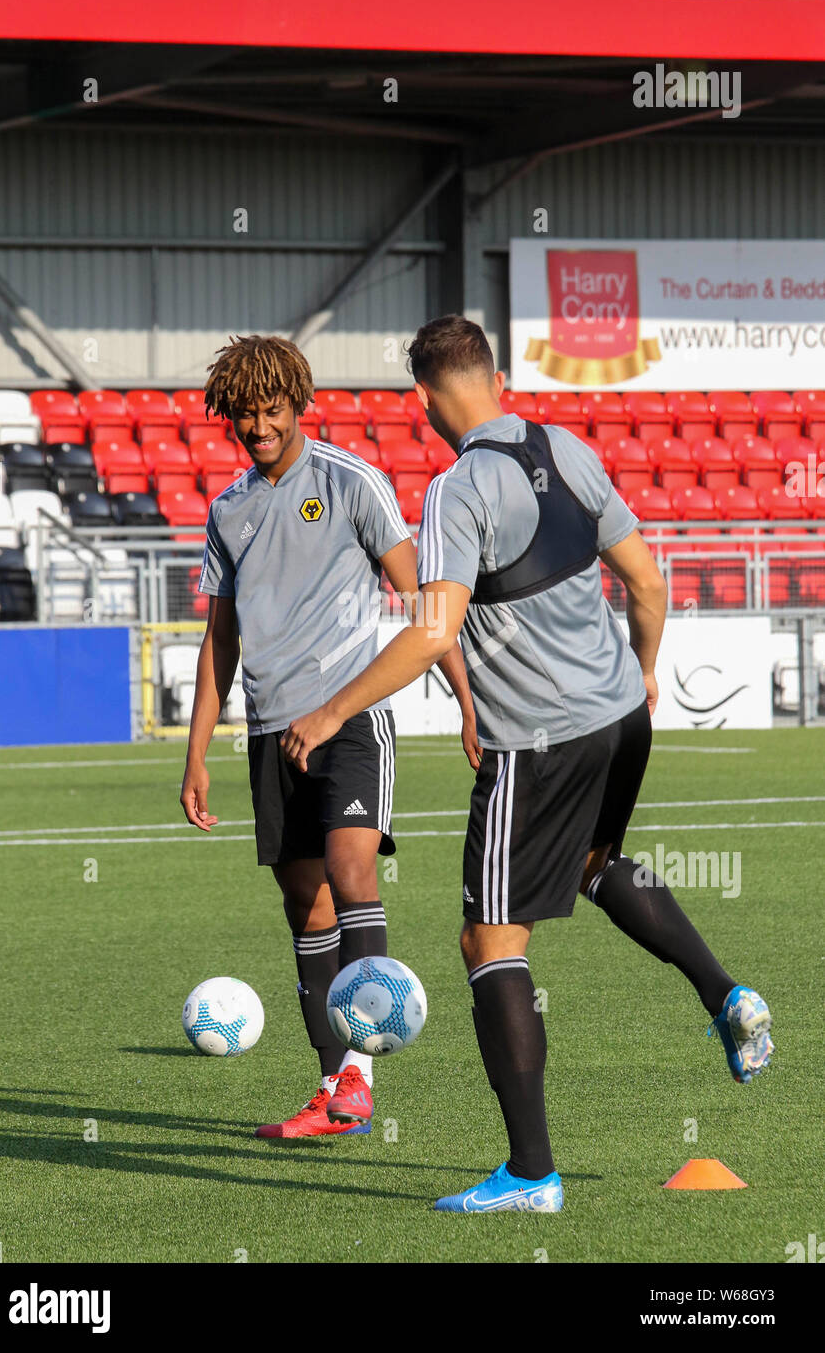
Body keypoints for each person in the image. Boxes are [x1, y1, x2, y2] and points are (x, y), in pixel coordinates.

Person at [281, 314, 774, 1209]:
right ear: (494, 376)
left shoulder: (456, 489)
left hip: (540, 741)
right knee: (595, 864)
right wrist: (648, 669)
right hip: (623, 716)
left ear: (424, 398)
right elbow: (648, 580)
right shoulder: (570, 449)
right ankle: (724, 993)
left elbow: (433, 630)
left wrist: (331, 709)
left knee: (488, 941)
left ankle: (531, 1173)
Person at [180, 333, 476, 1139]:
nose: (258, 426)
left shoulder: (352, 482)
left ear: (297, 404)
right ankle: (331, 1094)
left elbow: (426, 603)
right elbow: (221, 640)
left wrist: (466, 699)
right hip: (271, 732)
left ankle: (360, 1070)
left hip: (351, 719)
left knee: (353, 869)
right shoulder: (228, 510)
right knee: (304, 909)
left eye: (271, 409)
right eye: (243, 414)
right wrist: (197, 751)